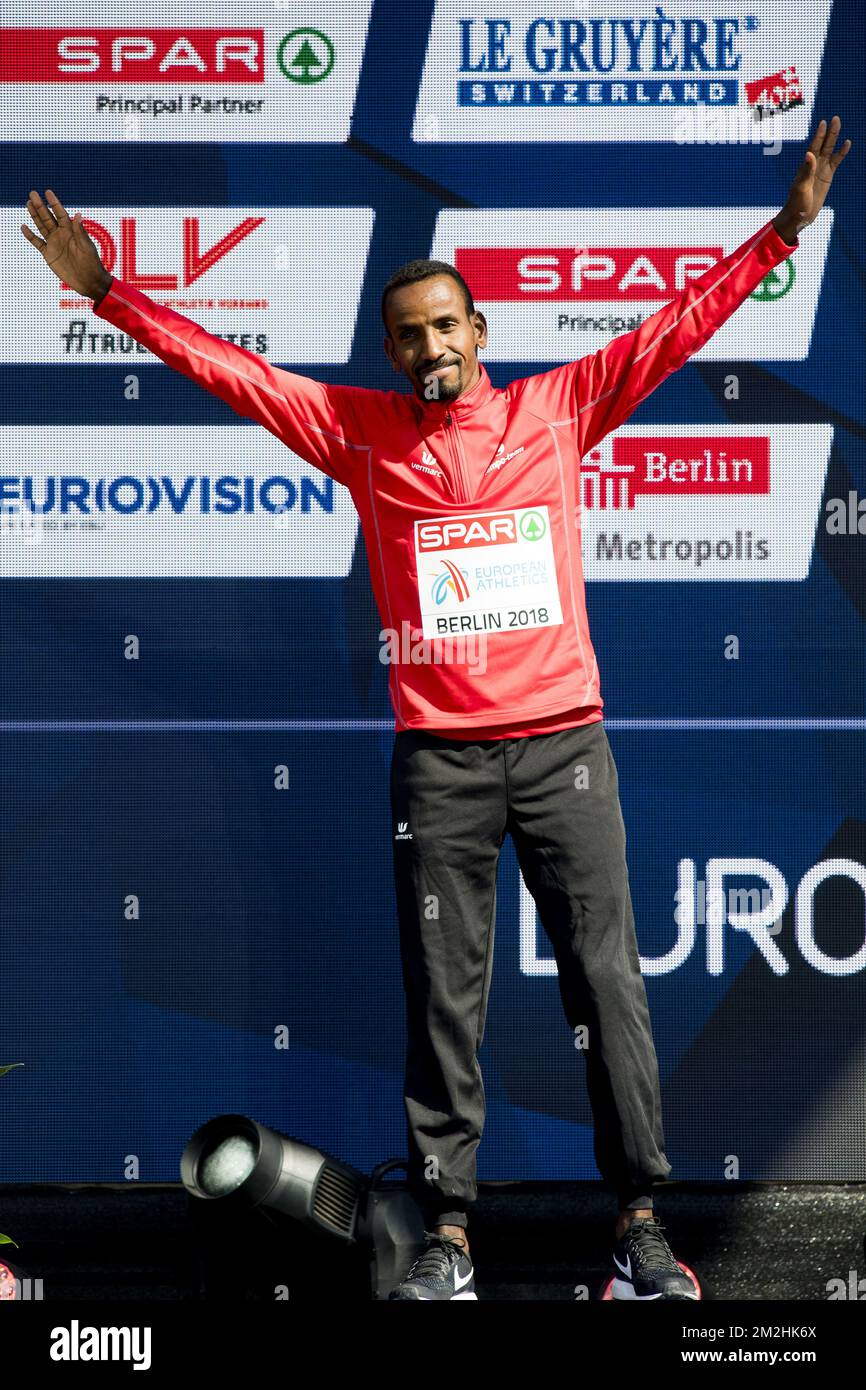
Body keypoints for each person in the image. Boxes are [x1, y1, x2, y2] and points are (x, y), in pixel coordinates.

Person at [22, 117, 850, 1301]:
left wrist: (781, 229)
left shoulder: (557, 410)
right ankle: (450, 1236)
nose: (428, 350)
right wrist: (110, 296)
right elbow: (238, 372)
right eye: (407, 336)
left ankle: (639, 1225)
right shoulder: (359, 435)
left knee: (605, 983)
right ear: (392, 350)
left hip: (564, 745)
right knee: (442, 1000)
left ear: (480, 334)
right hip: (441, 764)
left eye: (444, 329)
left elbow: (677, 327)